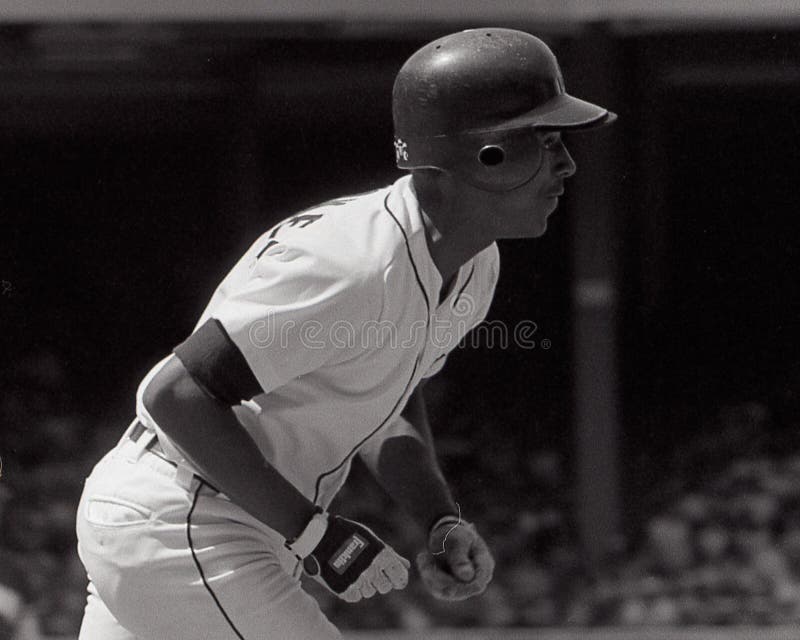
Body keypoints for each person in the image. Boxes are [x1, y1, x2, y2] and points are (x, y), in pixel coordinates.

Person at [75, 27, 615, 639]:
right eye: (546, 142)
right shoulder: (352, 263)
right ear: (485, 154)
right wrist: (315, 535)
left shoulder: (473, 264)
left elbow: (388, 398)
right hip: (182, 519)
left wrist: (439, 518)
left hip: (216, 523)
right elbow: (174, 395)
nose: (567, 164)